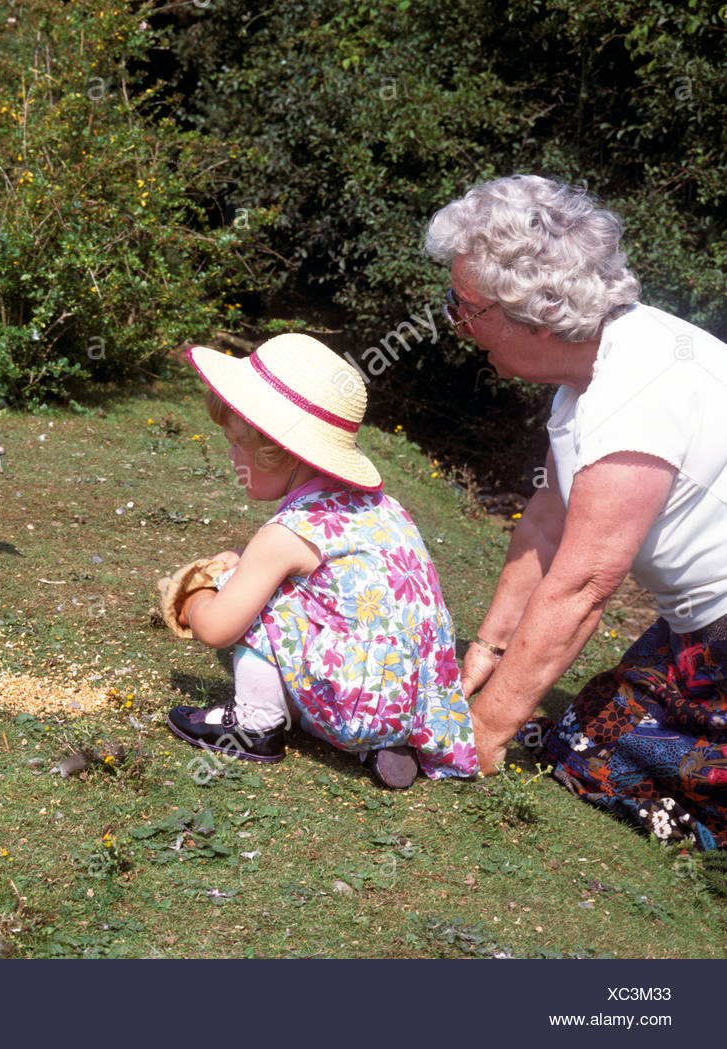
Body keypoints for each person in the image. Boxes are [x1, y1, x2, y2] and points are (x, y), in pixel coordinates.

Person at [426, 174, 727, 849]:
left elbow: (586, 583)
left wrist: (483, 733)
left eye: (465, 305)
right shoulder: (597, 369)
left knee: (588, 754)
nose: (458, 323)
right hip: (696, 630)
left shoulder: (635, 393)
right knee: (577, 733)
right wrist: (487, 653)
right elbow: (545, 522)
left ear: (532, 314)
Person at [158, 333, 477, 788]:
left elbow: (216, 629)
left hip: (349, 704)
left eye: (235, 443)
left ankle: (255, 724)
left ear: (276, 449)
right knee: (323, 607)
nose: (229, 456)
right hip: (408, 704)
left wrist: (196, 596)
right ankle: (381, 747)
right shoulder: (380, 510)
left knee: (249, 592)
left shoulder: (284, 535)